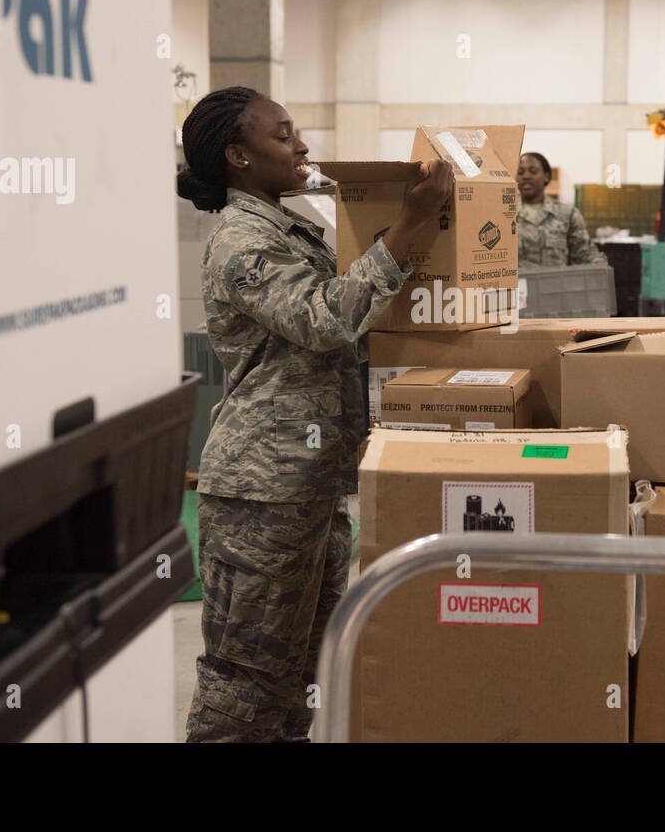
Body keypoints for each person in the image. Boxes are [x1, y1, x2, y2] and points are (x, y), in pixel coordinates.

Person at [177, 86, 454, 742]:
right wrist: (409, 225)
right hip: (259, 492)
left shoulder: (292, 225)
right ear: (238, 155)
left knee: (299, 675)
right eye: (283, 134)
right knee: (242, 686)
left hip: (309, 485)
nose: (301, 145)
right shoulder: (241, 241)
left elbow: (354, 308)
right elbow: (327, 317)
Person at [515, 151, 606, 268]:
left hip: (556, 284)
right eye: (520, 172)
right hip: (519, 285)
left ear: (546, 176)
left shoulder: (567, 213)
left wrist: (599, 266)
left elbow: (584, 253)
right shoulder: (504, 214)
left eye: (533, 171)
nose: (526, 176)